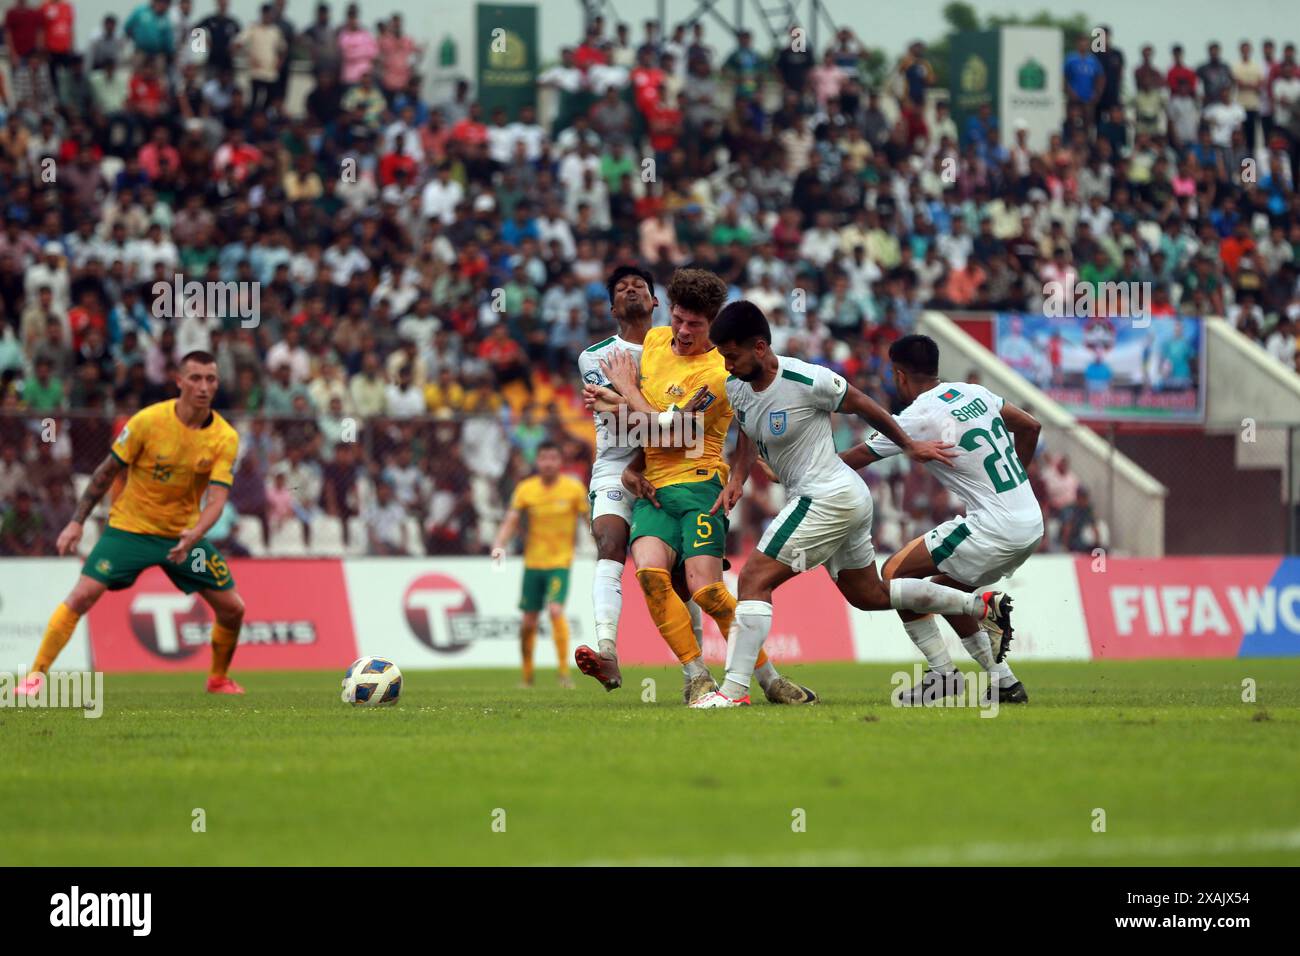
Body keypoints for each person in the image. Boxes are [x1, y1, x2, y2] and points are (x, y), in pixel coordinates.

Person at [692, 302, 1012, 708]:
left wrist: (908, 444)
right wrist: (737, 478)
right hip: (841, 498)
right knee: (869, 595)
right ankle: (979, 606)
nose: (726, 363)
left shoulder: (806, 379)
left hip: (827, 496)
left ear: (759, 348)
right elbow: (744, 435)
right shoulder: (737, 385)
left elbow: (863, 404)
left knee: (754, 580)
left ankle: (734, 692)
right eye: (722, 355)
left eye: (732, 354)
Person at [586, 269, 812, 705]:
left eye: (696, 324)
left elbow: (673, 433)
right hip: (653, 487)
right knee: (651, 577)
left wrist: (625, 391)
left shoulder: (717, 374)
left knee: (707, 591)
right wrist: (633, 463)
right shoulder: (653, 344)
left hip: (699, 486)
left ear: (713, 323)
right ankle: (696, 676)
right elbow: (650, 426)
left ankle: (769, 680)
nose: (684, 331)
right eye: (679, 319)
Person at [17, 351, 247, 697]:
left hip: (183, 538)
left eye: (210, 379)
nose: (203, 386)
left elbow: (216, 499)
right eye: (195, 378)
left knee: (233, 608)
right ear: (179, 381)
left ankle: (217, 679)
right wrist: (76, 523)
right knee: (82, 595)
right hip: (130, 530)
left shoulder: (224, 437)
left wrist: (196, 533)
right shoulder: (146, 422)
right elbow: (105, 473)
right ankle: (35, 678)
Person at [840, 335, 1044, 704]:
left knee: (896, 576)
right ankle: (1004, 683)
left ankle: (944, 675)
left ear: (899, 375)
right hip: (1030, 522)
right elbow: (1031, 426)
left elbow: (854, 458)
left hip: (994, 528)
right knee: (944, 590)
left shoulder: (916, 418)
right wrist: (1016, 482)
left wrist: (789, 471)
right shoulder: (975, 393)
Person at [572, 264, 708, 692]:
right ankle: (608, 651)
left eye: (640, 287)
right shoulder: (596, 356)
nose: (631, 291)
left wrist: (627, 399)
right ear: (612, 307)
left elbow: (669, 423)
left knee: (686, 579)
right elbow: (623, 417)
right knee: (610, 543)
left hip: (669, 465)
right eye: (621, 289)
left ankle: (695, 673)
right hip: (616, 466)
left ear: (655, 302)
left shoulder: (676, 351)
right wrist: (662, 415)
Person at [491, 441, 587, 689]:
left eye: (553, 458)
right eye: (543, 458)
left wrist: (605, 544)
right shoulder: (526, 489)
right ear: (537, 461)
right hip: (533, 563)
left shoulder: (573, 489)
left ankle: (564, 674)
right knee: (528, 622)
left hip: (560, 563)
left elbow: (589, 519)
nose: (548, 463)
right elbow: (512, 520)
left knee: (555, 611)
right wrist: (499, 544)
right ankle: (527, 676)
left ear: (560, 462)